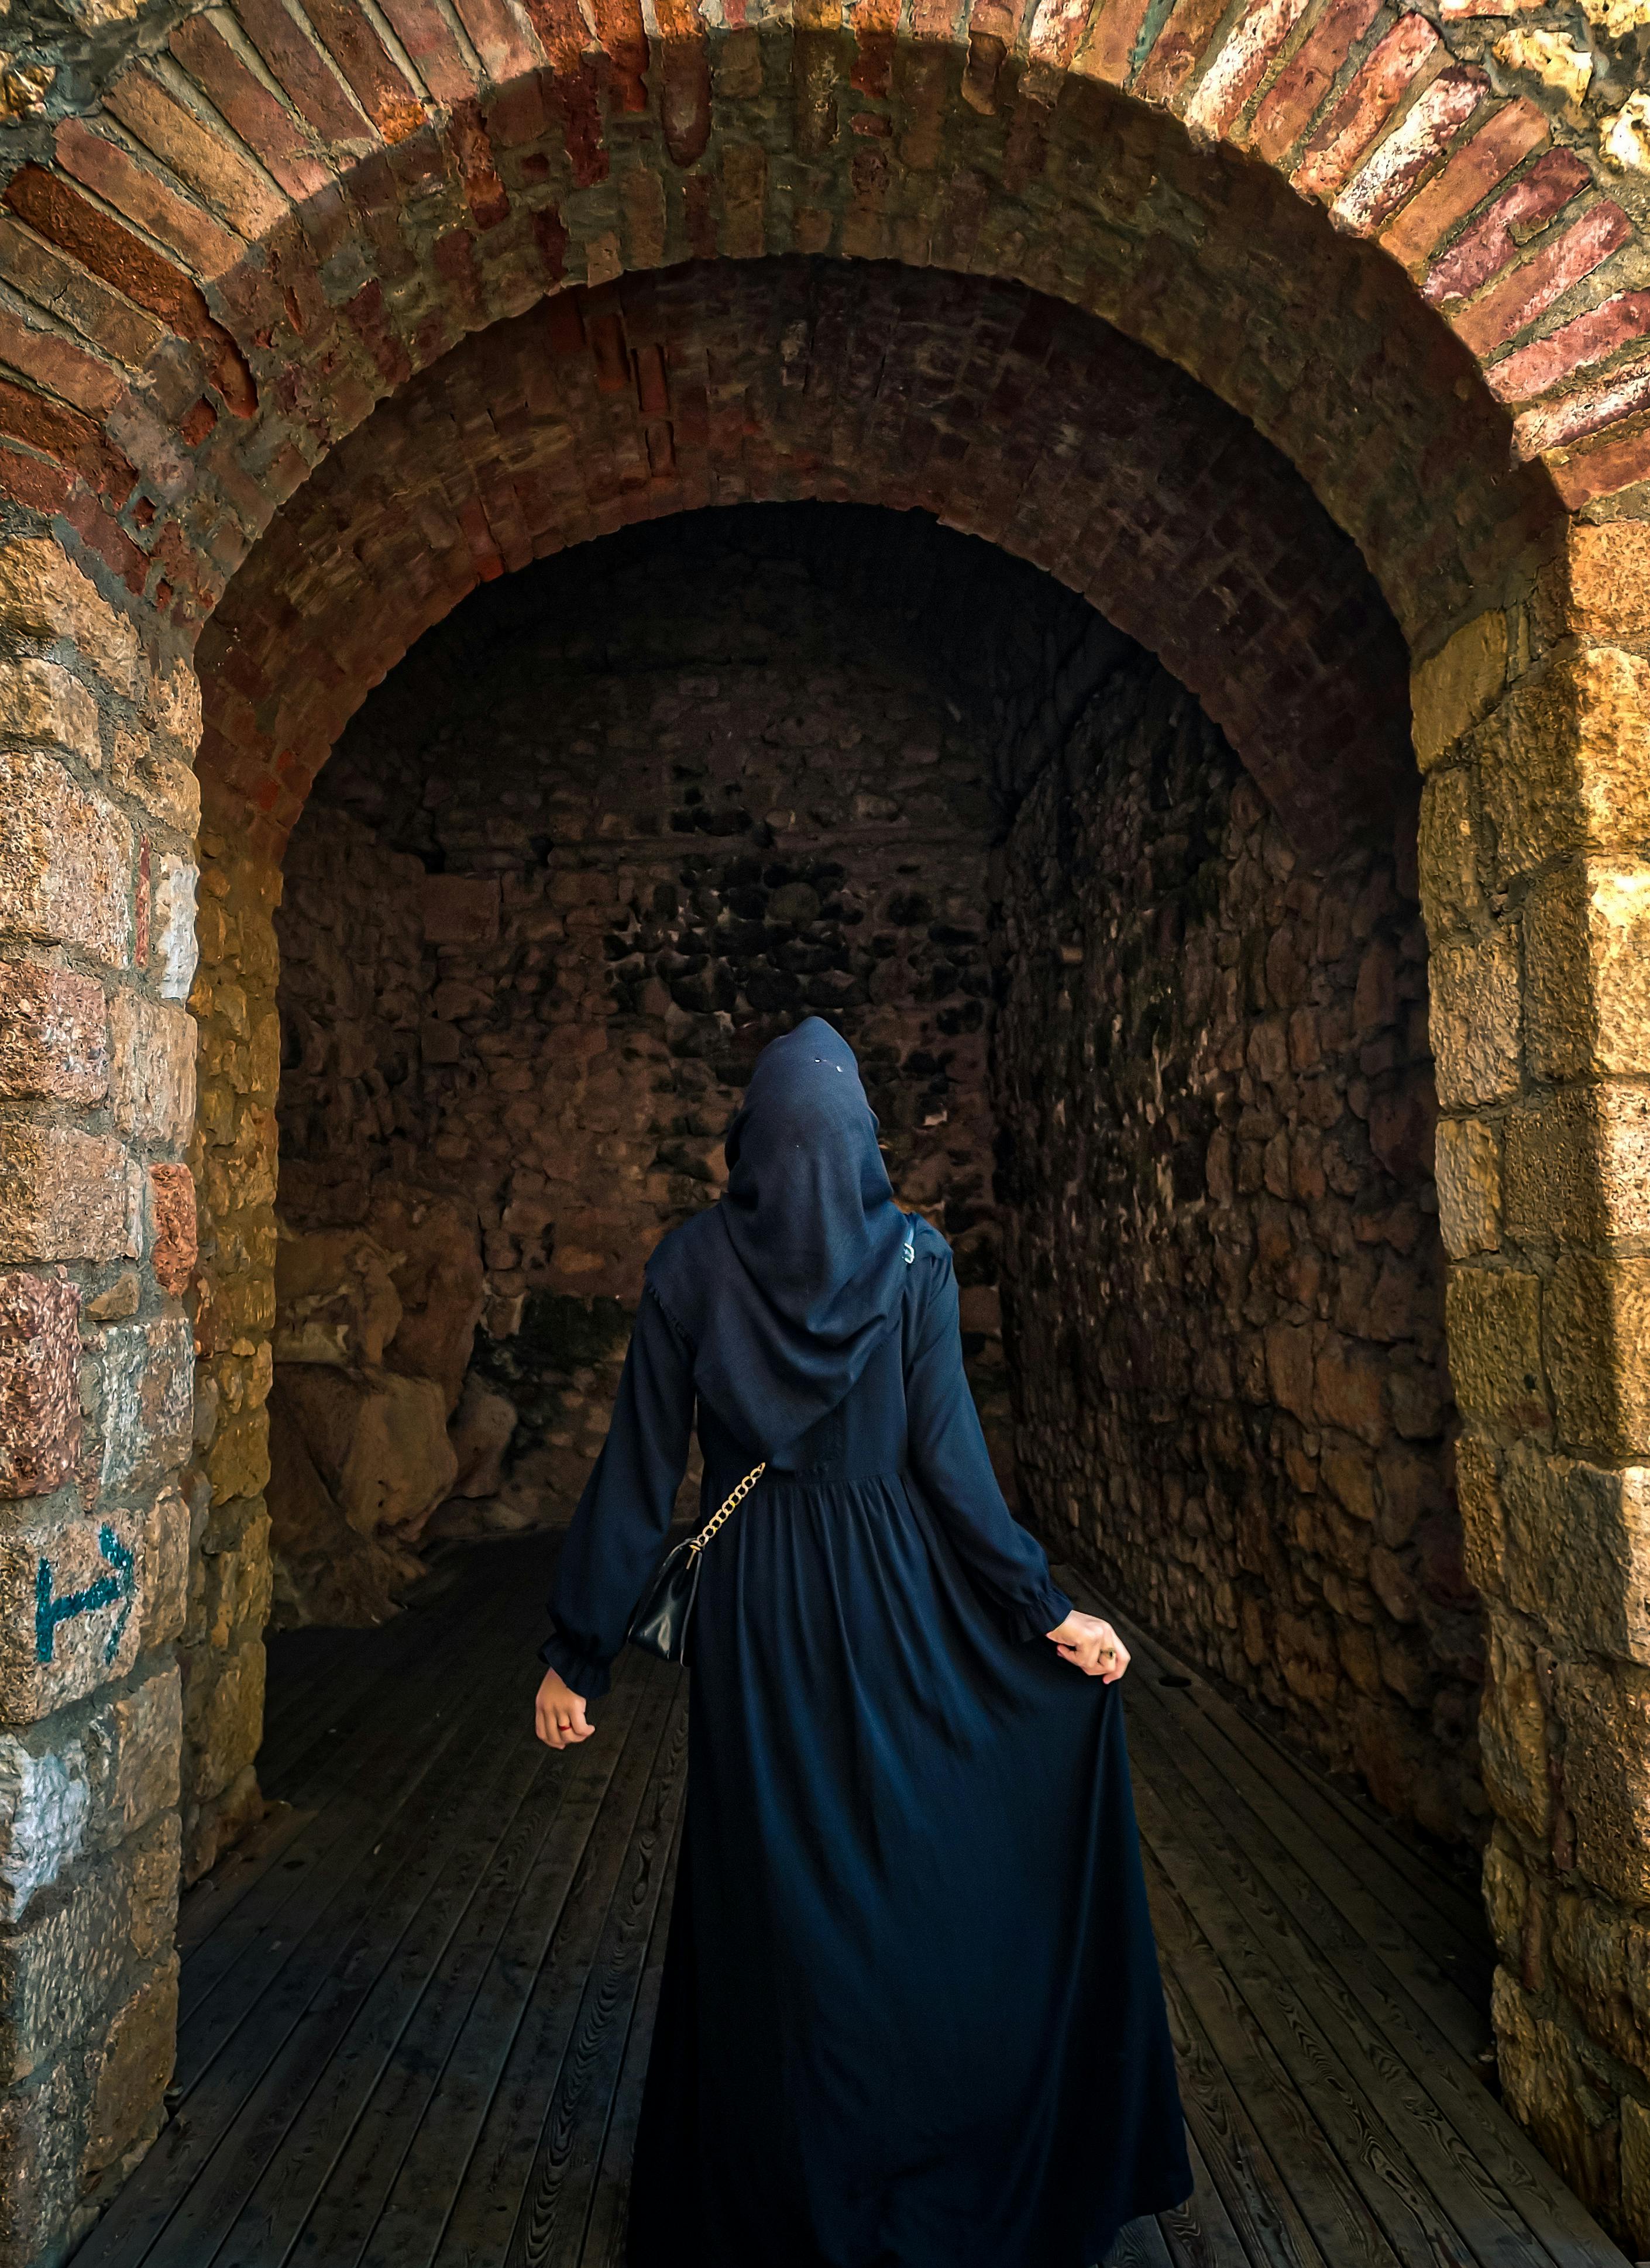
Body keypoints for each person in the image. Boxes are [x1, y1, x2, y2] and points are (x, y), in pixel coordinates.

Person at [534, 1017, 1191, 2268]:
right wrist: (1045, 1611)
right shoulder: (914, 1259)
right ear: (864, 1142)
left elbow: (637, 1474)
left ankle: (785, 2181)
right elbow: (953, 1470)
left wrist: (580, 1651)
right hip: (896, 1590)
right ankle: (909, 2148)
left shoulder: (690, 1266)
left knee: (774, 1892)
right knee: (899, 1871)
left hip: (755, 1608)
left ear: (749, 1141)